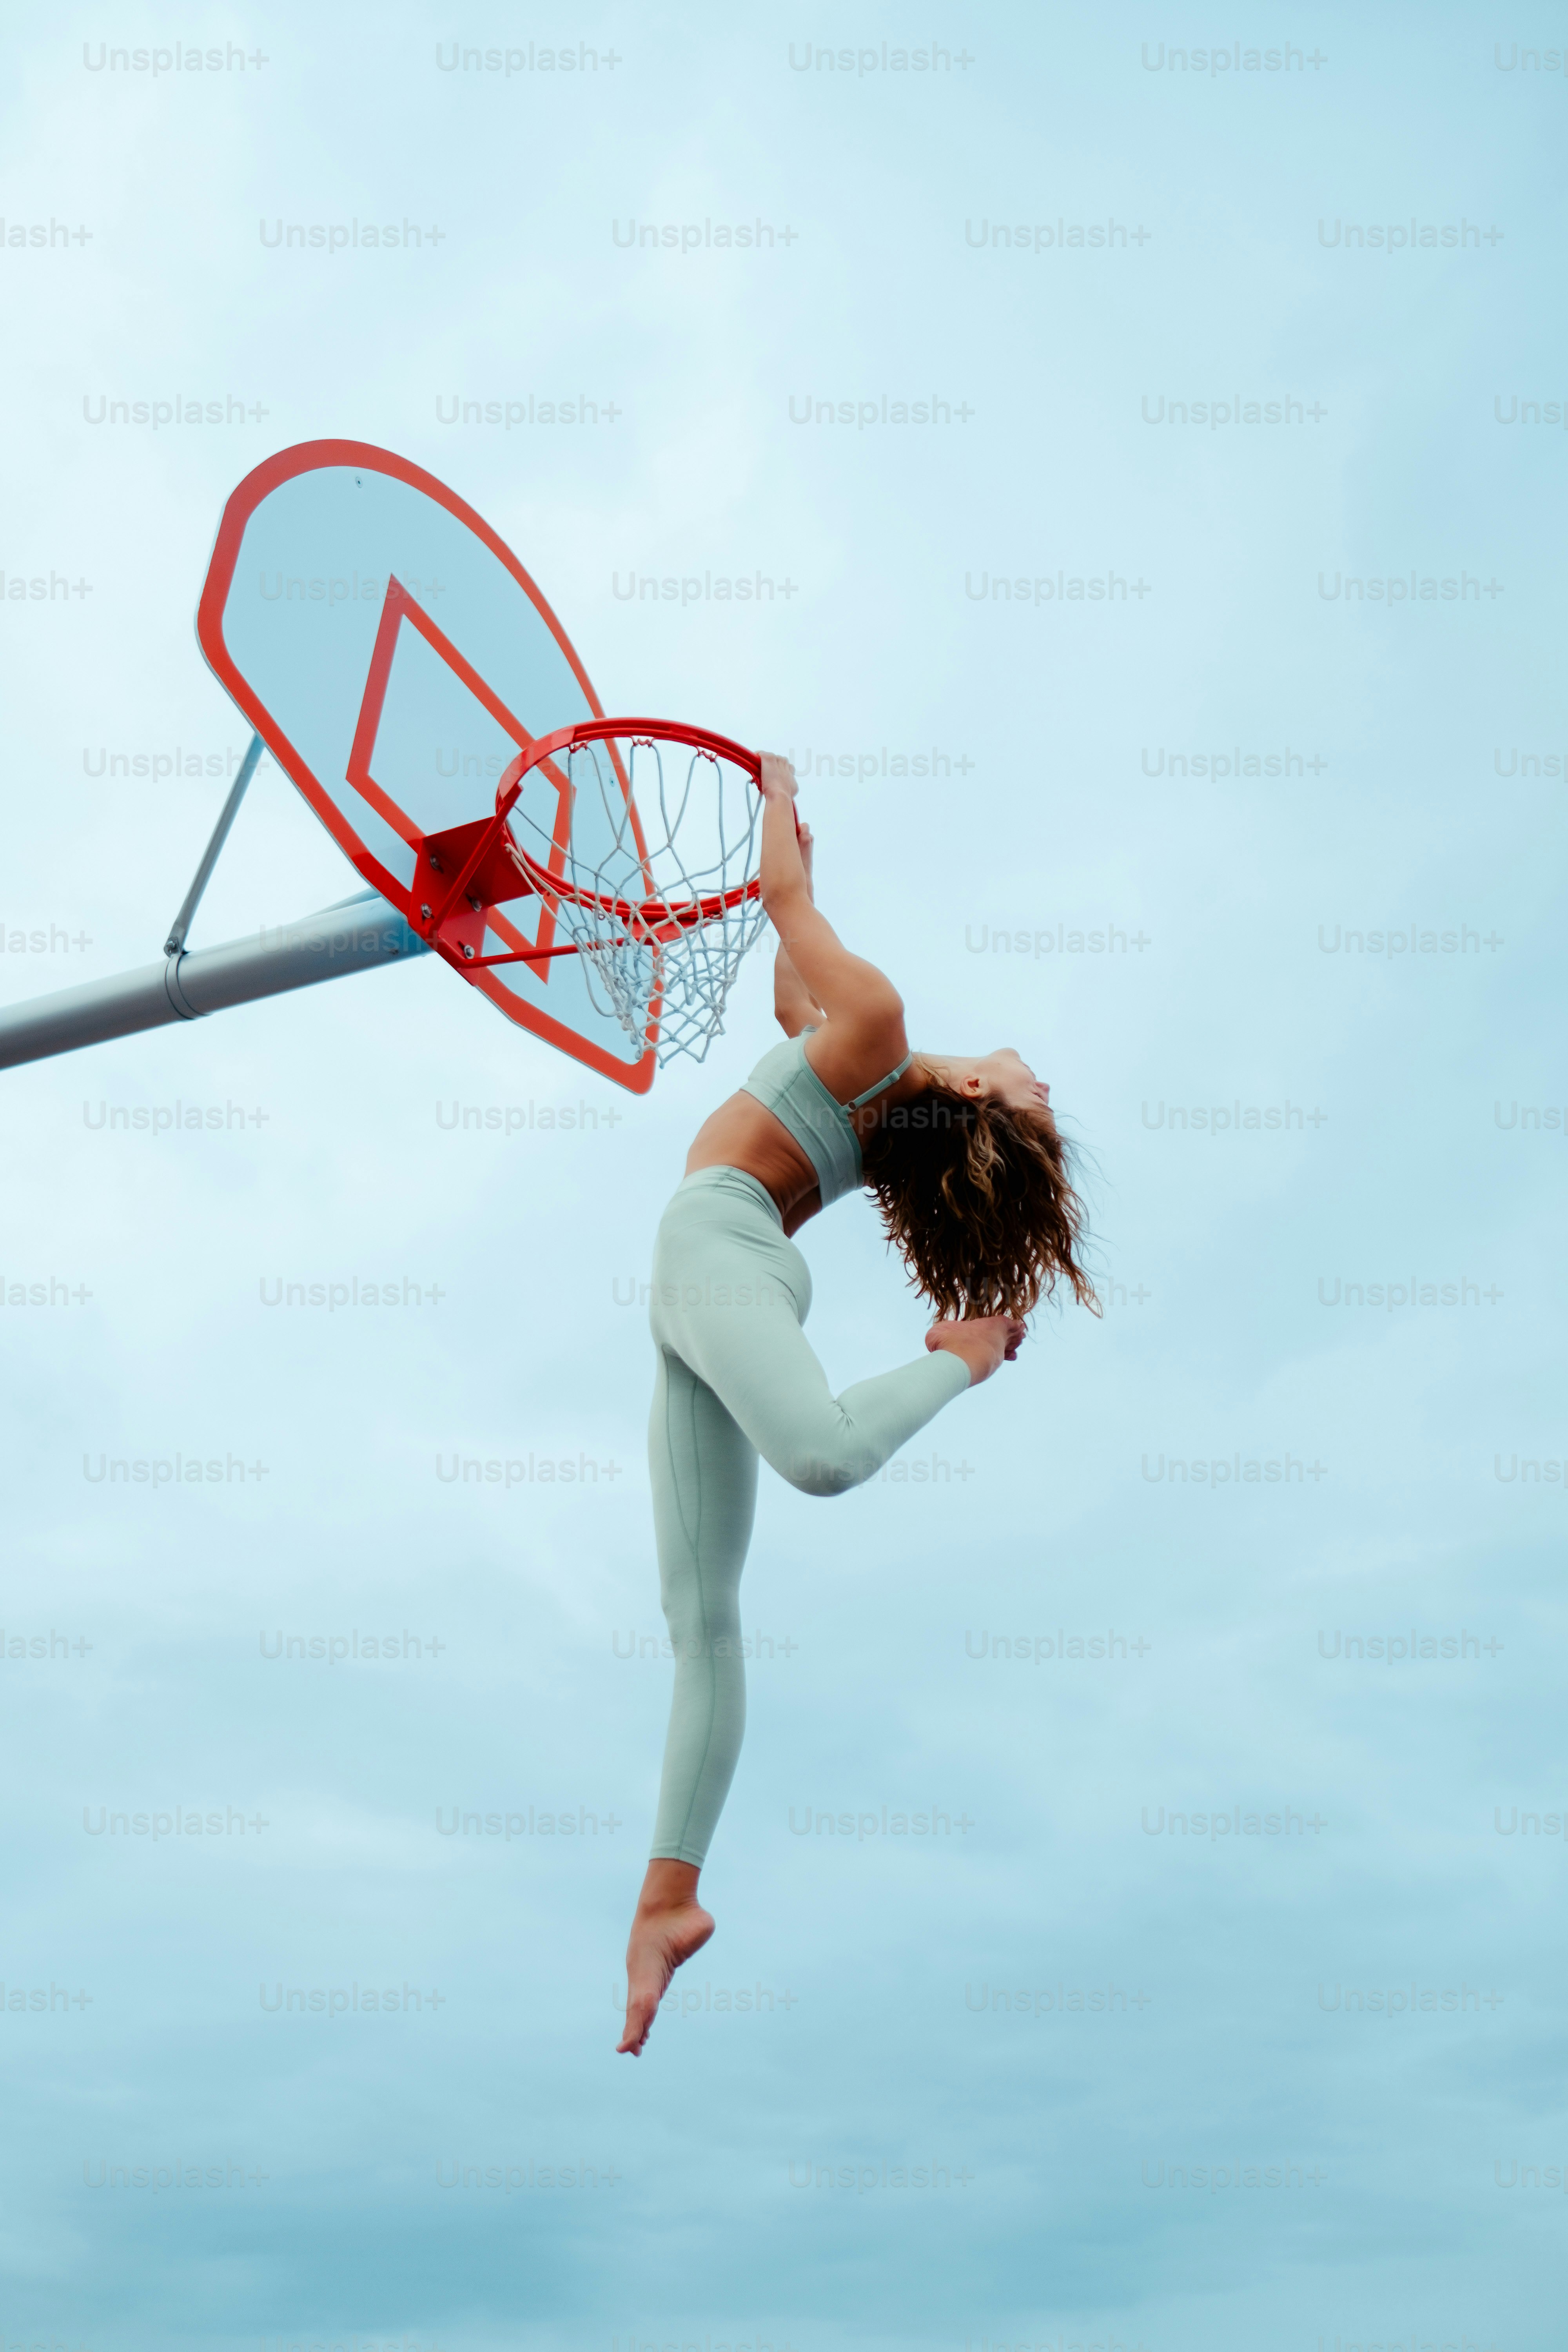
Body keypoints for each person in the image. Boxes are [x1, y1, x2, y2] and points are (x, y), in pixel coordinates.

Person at [617, 754, 1096, 2055]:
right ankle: (668, 1904)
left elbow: (784, 920)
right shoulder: (872, 1069)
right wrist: (805, 887)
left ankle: (964, 1356)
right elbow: (792, 987)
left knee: (819, 1460)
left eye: (1038, 1107)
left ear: (986, 1100)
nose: (1044, 1086)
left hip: (718, 1259)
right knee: (700, 1620)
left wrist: (771, 794)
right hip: (717, 1273)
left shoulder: (879, 1027)